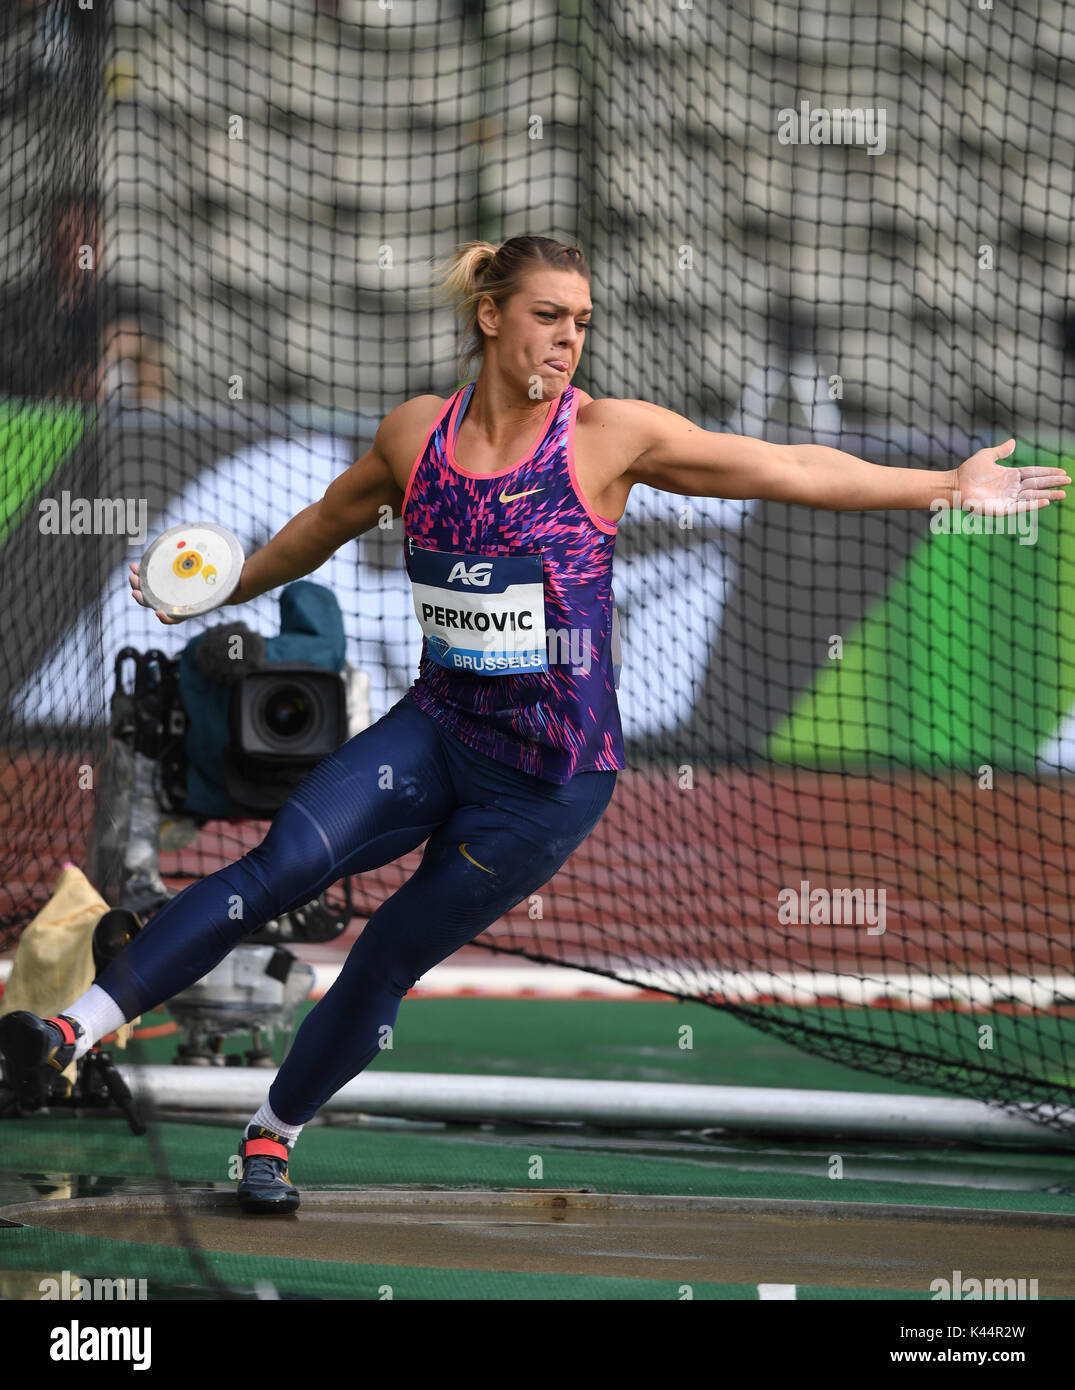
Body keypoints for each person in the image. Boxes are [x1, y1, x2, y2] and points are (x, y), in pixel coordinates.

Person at [0, 234, 1068, 1214]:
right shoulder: (415, 436)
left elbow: (785, 469)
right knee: (276, 863)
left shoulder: (607, 440)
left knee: (382, 962)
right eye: (550, 315)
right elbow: (315, 533)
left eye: (582, 321)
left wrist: (944, 482)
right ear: (492, 318)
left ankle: (272, 1135)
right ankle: (66, 1031)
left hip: (545, 789)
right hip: (435, 732)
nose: (568, 337)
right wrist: (215, 584)